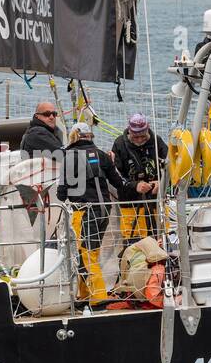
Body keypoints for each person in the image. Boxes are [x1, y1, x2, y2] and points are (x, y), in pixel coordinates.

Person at [57, 122, 127, 307]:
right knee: (88, 252)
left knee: (86, 253)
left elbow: (61, 193)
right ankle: (85, 295)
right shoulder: (102, 155)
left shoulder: (69, 156)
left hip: (84, 210)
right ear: (90, 136)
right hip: (105, 209)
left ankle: (98, 297)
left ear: (73, 136)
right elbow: (118, 183)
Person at [111, 113, 168, 243]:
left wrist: (161, 182)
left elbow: (169, 166)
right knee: (133, 243)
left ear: (147, 130)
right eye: (136, 136)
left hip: (155, 202)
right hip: (130, 203)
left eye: (143, 136)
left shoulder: (156, 141)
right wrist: (135, 185)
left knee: (162, 239)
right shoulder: (119, 144)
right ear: (130, 132)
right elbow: (115, 174)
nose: (139, 140)